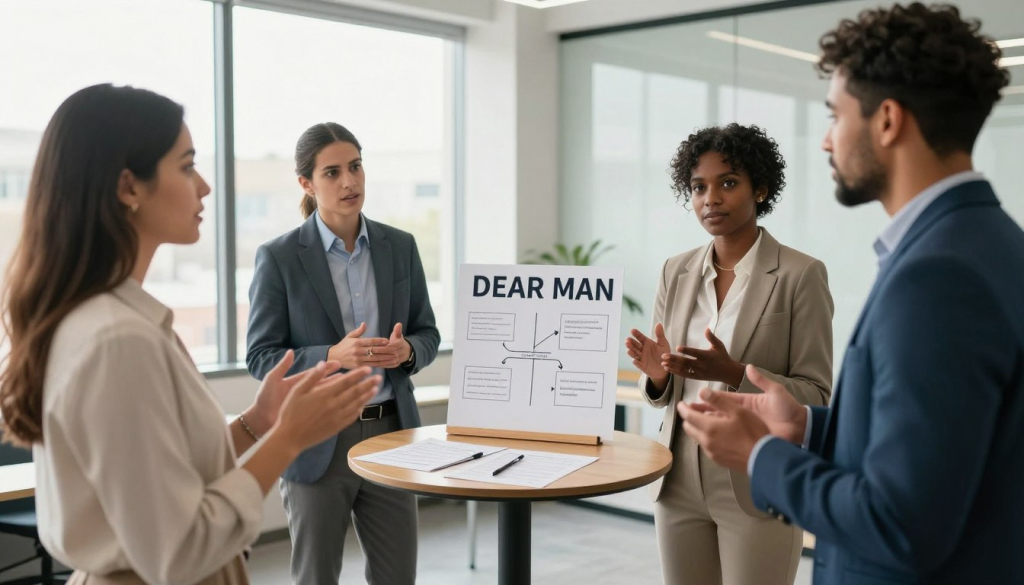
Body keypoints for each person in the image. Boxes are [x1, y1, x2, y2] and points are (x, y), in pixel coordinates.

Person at [679, 4, 1024, 584]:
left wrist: (762, 457)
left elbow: (901, 524)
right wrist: (812, 429)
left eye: (835, 115)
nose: (825, 142)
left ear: (887, 121)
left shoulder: (937, 278)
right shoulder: (991, 243)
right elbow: (946, 447)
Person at [0, 84, 380, 585]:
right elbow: (180, 546)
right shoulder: (118, 341)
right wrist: (288, 438)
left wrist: (259, 420)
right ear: (128, 188)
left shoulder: (106, 321)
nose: (203, 186)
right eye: (186, 165)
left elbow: (155, 478)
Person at [624, 123, 833, 585]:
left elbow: (817, 395)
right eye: (699, 187)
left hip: (756, 473)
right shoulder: (674, 271)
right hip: (676, 475)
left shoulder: (801, 275)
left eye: (728, 183)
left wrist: (735, 372)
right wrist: (657, 376)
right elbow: (660, 391)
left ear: (761, 189)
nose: (710, 199)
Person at [246, 122, 440, 584]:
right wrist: (332, 355)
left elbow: (427, 333)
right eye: (332, 173)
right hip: (316, 440)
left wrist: (406, 352)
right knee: (316, 577)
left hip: (392, 434)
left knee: (398, 576)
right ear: (307, 184)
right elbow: (261, 357)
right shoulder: (279, 257)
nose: (349, 182)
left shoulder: (401, 247)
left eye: (355, 167)